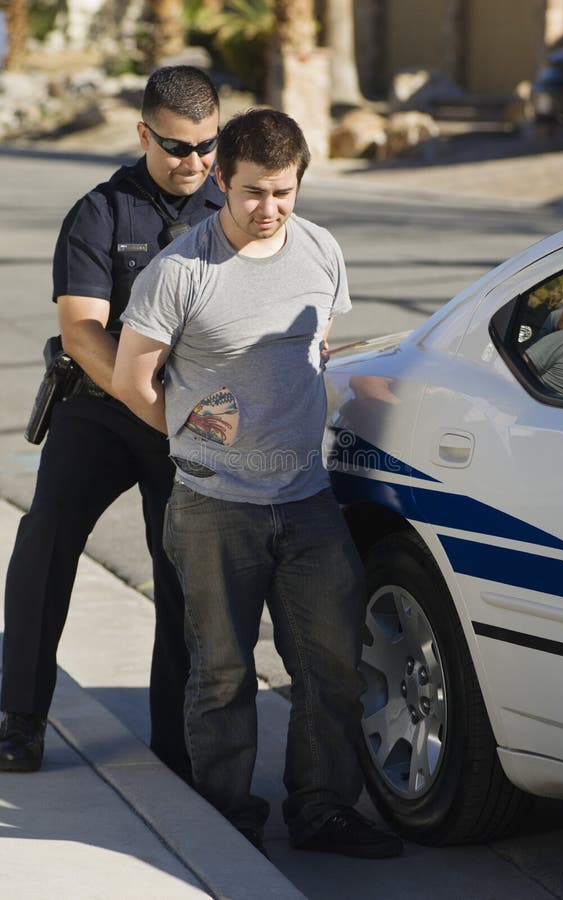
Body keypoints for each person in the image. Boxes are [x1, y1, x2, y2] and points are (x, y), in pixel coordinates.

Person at [112, 107, 403, 859]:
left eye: (283, 191)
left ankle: (323, 810)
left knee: (334, 665)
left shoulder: (320, 250)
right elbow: (132, 377)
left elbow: (320, 348)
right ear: (220, 180)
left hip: (307, 500)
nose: (268, 209)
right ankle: (228, 819)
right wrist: (195, 436)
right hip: (214, 507)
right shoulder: (179, 271)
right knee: (221, 675)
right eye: (252, 193)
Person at [0, 65, 223, 782]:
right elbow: (83, 335)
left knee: (182, 574)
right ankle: (19, 721)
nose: (194, 162)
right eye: (177, 147)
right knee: (45, 539)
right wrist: (155, 412)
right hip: (103, 411)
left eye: (207, 146)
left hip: (189, 420)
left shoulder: (233, 206)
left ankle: (176, 745)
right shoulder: (101, 211)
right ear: (143, 134)